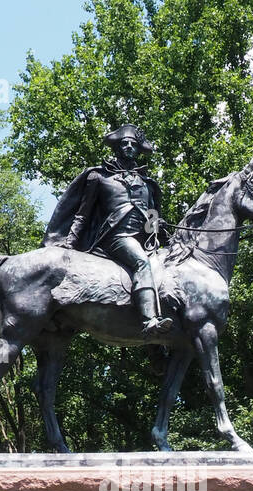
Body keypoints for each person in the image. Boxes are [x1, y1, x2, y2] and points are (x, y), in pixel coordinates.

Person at [43, 123, 175, 335]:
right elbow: (82, 214)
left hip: (144, 241)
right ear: (117, 147)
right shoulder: (99, 177)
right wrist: (69, 245)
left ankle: (157, 349)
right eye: (125, 143)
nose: (130, 147)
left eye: (134, 144)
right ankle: (149, 320)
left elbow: (152, 218)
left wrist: (159, 228)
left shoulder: (148, 184)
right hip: (116, 237)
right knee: (141, 263)